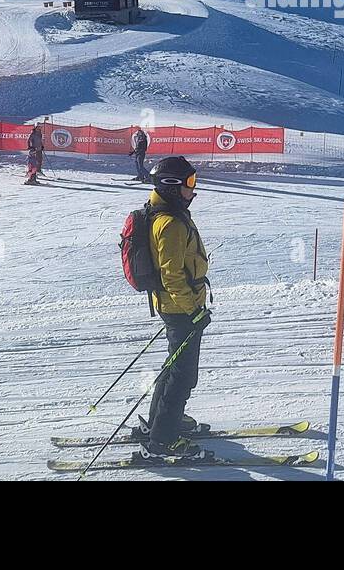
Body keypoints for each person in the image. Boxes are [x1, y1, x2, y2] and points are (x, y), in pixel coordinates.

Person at [140, 155, 212, 460]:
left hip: (176, 306)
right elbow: (171, 275)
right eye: (189, 184)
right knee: (182, 375)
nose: (193, 190)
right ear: (171, 187)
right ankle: (163, 438)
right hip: (181, 308)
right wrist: (194, 311)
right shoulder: (169, 223)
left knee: (174, 367)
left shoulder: (167, 213)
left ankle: (161, 422)